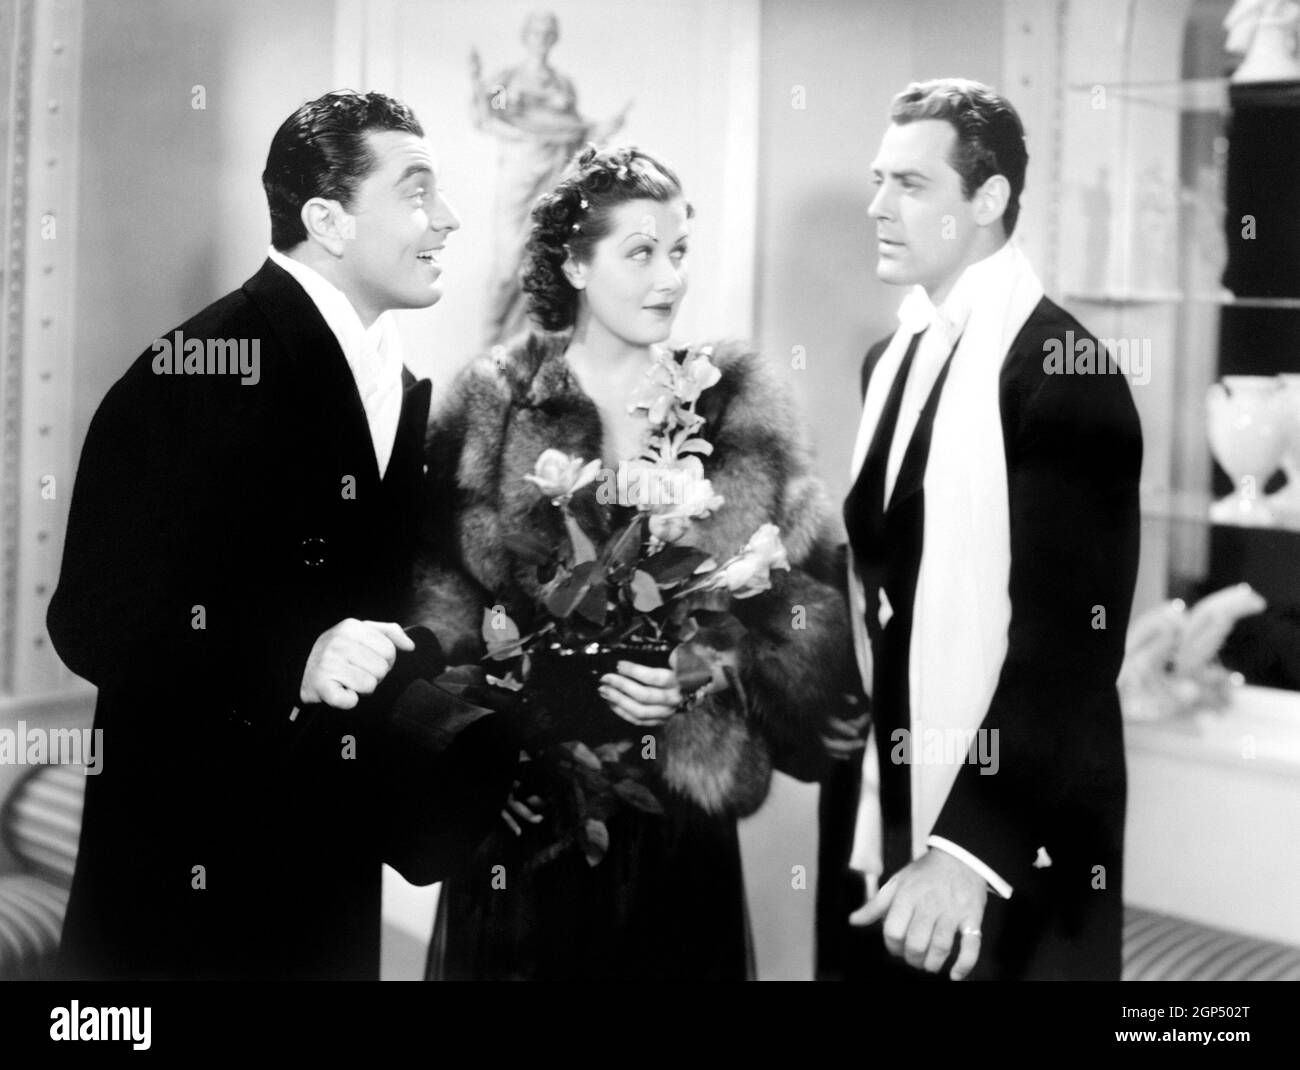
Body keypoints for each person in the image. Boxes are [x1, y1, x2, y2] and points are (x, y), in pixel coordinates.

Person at [48, 90, 517, 980]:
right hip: (189, 886)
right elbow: (93, 620)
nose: (447, 219)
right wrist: (289, 661)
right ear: (326, 220)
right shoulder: (192, 371)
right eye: (416, 192)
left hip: (325, 866)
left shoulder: (398, 384)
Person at [410, 145, 854, 980]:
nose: (670, 278)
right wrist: (476, 755)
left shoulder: (737, 405)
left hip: (676, 820)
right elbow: (433, 615)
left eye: (679, 250)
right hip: (524, 823)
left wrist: (708, 669)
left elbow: (811, 628)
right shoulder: (489, 404)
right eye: (641, 252)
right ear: (575, 263)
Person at [819, 79, 1142, 981]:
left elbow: (1070, 649)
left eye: (911, 185)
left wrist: (966, 851)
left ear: (989, 200)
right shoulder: (892, 357)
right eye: (879, 180)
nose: (877, 206)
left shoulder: (1068, 373)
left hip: (1015, 836)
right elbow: (888, 577)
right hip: (892, 799)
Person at [470, 9, 630, 348]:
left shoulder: (563, 85)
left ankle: (526, 348)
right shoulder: (507, 79)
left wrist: (604, 129)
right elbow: (491, 117)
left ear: (553, 38)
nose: (541, 38)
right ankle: (488, 343)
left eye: (548, 32)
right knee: (506, 266)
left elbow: (576, 130)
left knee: (544, 261)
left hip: (553, 176)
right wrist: (480, 86)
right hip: (520, 175)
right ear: (526, 35)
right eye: (535, 31)